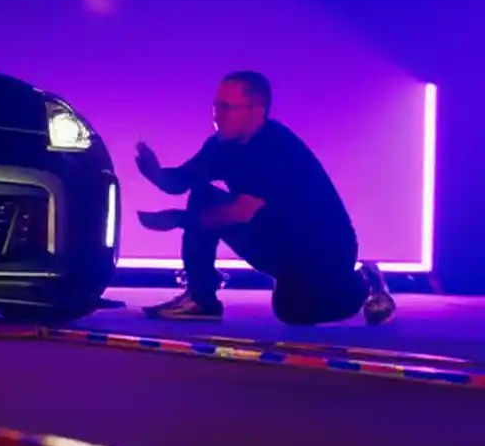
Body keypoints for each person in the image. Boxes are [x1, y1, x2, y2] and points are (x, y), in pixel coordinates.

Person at [134, 70, 395, 325]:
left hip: (322, 250)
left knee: (292, 311)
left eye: (227, 107)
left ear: (256, 111)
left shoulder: (276, 147)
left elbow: (240, 212)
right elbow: (181, 181)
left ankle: (365, 280)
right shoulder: (221, 144)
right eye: (216, 107)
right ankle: (201, 298)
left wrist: (179, 219)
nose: (218, 116)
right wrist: (155, 173)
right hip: (277, 237)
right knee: (203, 196)